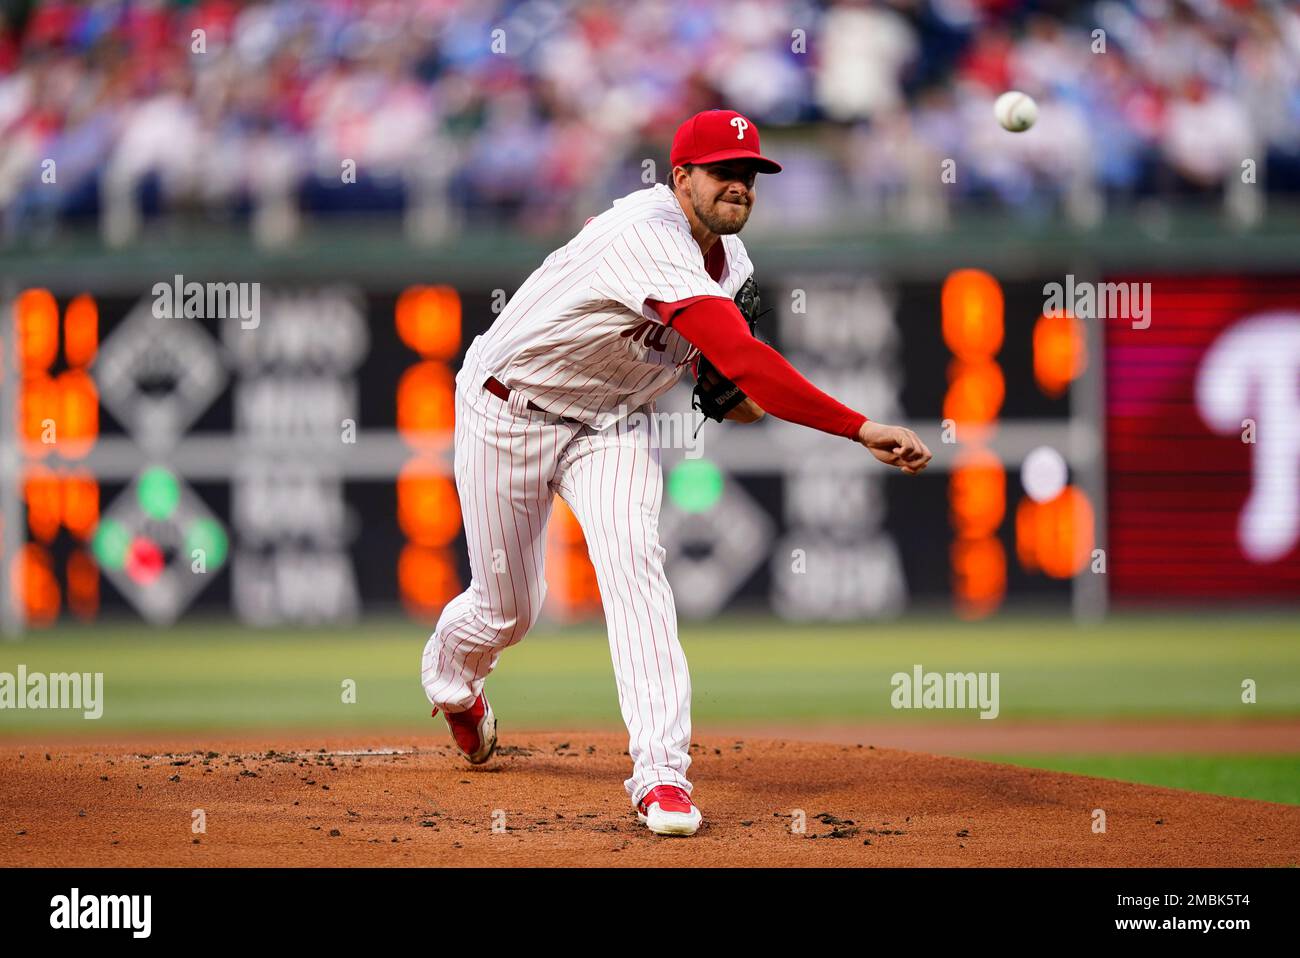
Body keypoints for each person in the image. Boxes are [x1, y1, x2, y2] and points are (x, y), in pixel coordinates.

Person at [420, 109, 932, 837]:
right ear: (681, 176)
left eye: (750, 175)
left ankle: (660, 776)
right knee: (509, 609)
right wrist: (859, 426)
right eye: (724, 172)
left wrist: (729, 390)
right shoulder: (647, 235)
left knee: (637, 567)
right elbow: (749, 361)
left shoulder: (734, 262)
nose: (740, 187)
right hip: (510, 408)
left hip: (610, 423)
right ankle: (452, 679)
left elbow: (733, 388)